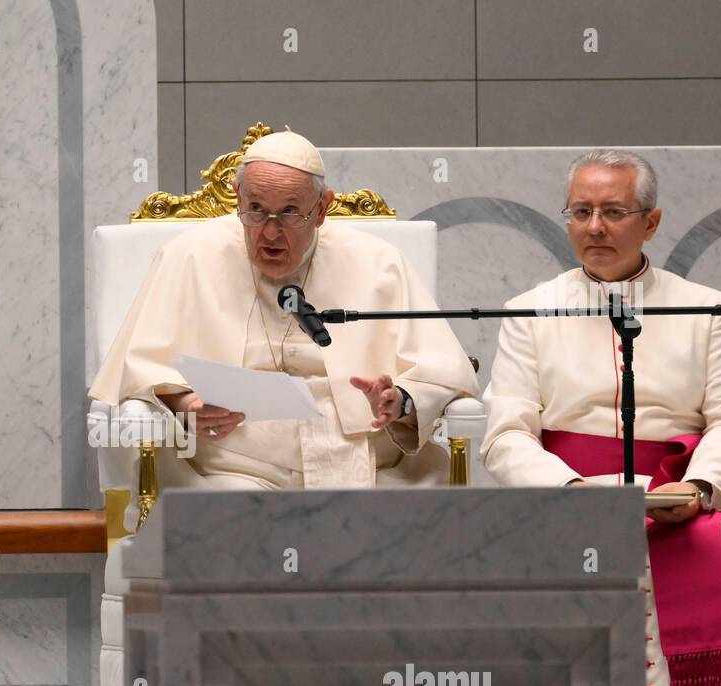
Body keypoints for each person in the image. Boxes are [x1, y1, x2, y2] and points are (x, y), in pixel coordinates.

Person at [483, 148, 721, 686]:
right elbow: (507, 432)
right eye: (581, 212)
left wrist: (702, 489)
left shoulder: (704, 309)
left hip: (677, 508)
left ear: (651, 222)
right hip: (564, 508)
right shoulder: (529, 309)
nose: (595, 227)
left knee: (714, 599)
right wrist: (568, 494)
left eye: (614, 212)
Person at [90, 130, 477, 493]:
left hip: (367, 463)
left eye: (290, 213)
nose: (270, 233)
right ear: (237, 196)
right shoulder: (188, 255)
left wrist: (402, 401)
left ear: (322, 209)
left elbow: (442, 369)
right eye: (255, 210)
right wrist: (184, 404)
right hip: (231, 467)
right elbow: (141, 367)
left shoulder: (380, 263)